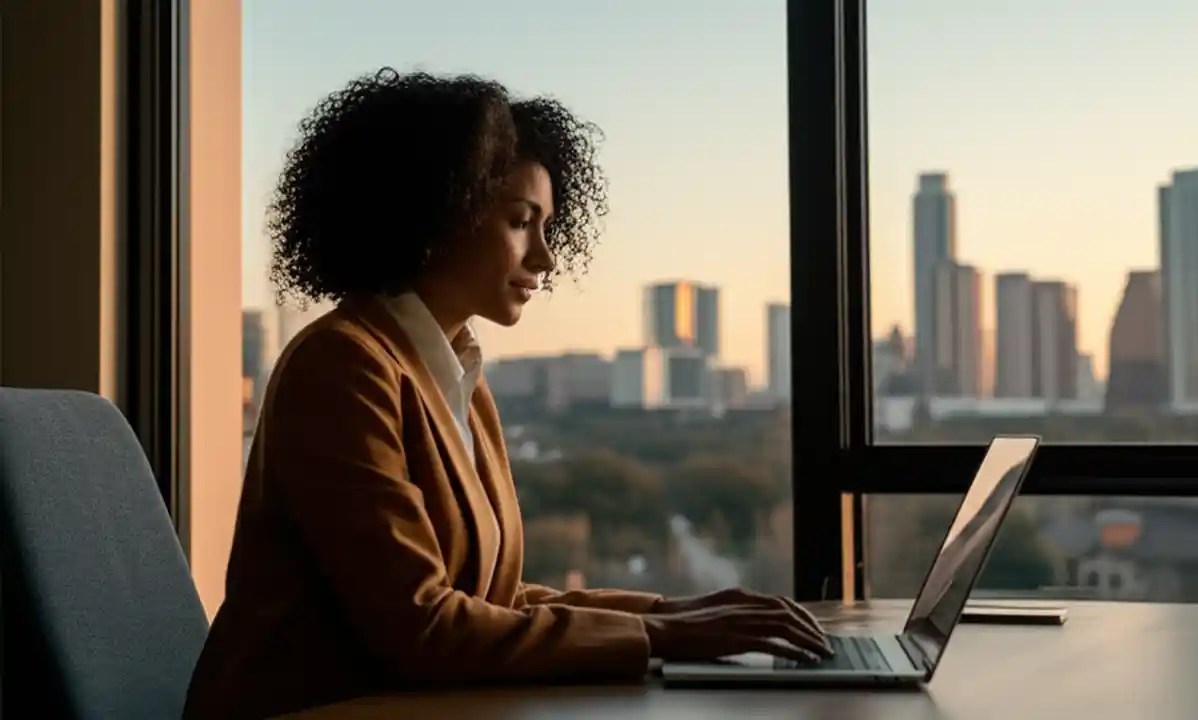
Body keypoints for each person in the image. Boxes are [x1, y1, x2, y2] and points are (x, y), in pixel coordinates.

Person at [183, 68, 831, 720]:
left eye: (548, 226)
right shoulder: (342, 366)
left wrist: (675, 611)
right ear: (438, 211)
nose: (545, 258)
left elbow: (490, 599)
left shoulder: (455, 371)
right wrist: (663, 635)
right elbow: (423, 628)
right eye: (522, 221)